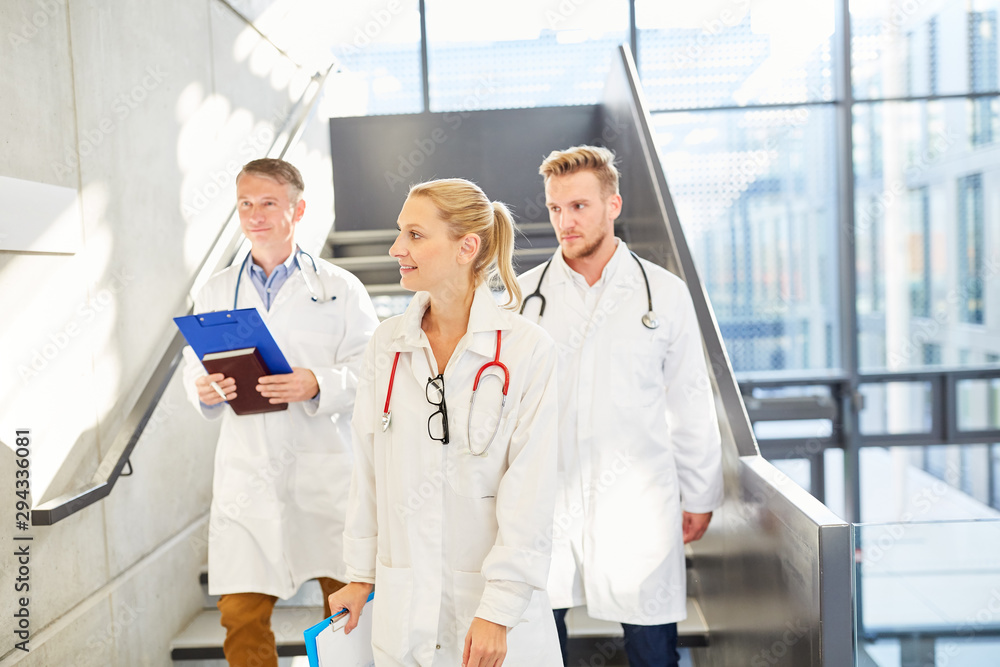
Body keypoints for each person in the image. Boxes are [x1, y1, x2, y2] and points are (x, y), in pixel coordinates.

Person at [328, 178, 563, 666]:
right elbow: (368, 470)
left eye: (415, 235)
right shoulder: (388, 344)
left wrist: (498, 611)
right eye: (400, 233)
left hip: (490, 612)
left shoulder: (525, 349)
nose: (397, 248)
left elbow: (530, 493)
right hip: (404, 603)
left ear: (467, 247)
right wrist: (358, 576)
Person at [517, 146, 724, 667]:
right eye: (555, 208)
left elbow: (690, 403)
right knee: (540, 646)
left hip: (638, 504)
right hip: (547, 499)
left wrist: (700, 493)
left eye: (579, 206)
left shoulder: (664, 294)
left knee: (654, 652)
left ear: (613, 205)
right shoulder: (524, 297)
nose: (565, 221)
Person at [181, 158, 379, 667]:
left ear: (298, 209)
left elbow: (374, 374)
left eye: (268, 202)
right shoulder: (215, 291)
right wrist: (202, 390)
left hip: (326, 475)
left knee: (349, 616)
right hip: (247, 478)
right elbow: (193, 368)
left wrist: (318, 382)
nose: (255, 214)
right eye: (246, 203)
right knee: (241, 620)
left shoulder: (340, 287)